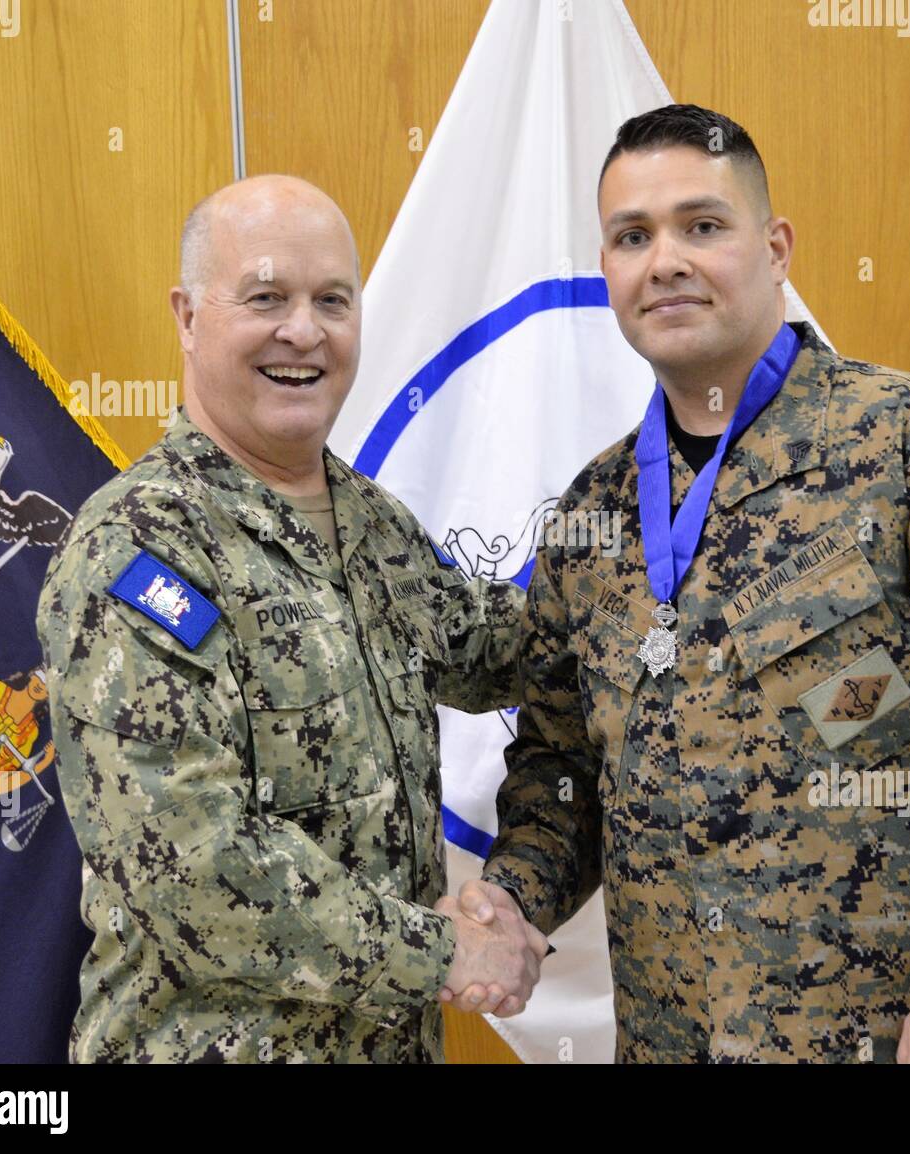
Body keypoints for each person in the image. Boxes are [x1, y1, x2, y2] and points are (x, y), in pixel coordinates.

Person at [450, 105, 910, 1063]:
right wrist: (516, 900)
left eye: (703, 226)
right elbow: (563, 768)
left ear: (775, 247)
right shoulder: (593, 518)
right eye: (632, 236)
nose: (665, 260)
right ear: (608, 270)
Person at [36, 174, 546, 1063]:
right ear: (189, 316)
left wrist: (648, 574)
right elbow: (195, 865)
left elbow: (491, 648)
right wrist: (447, 949)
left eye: (332, 301)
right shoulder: (137, 551)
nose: (303, 332)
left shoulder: (371, 523)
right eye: (266, 297)